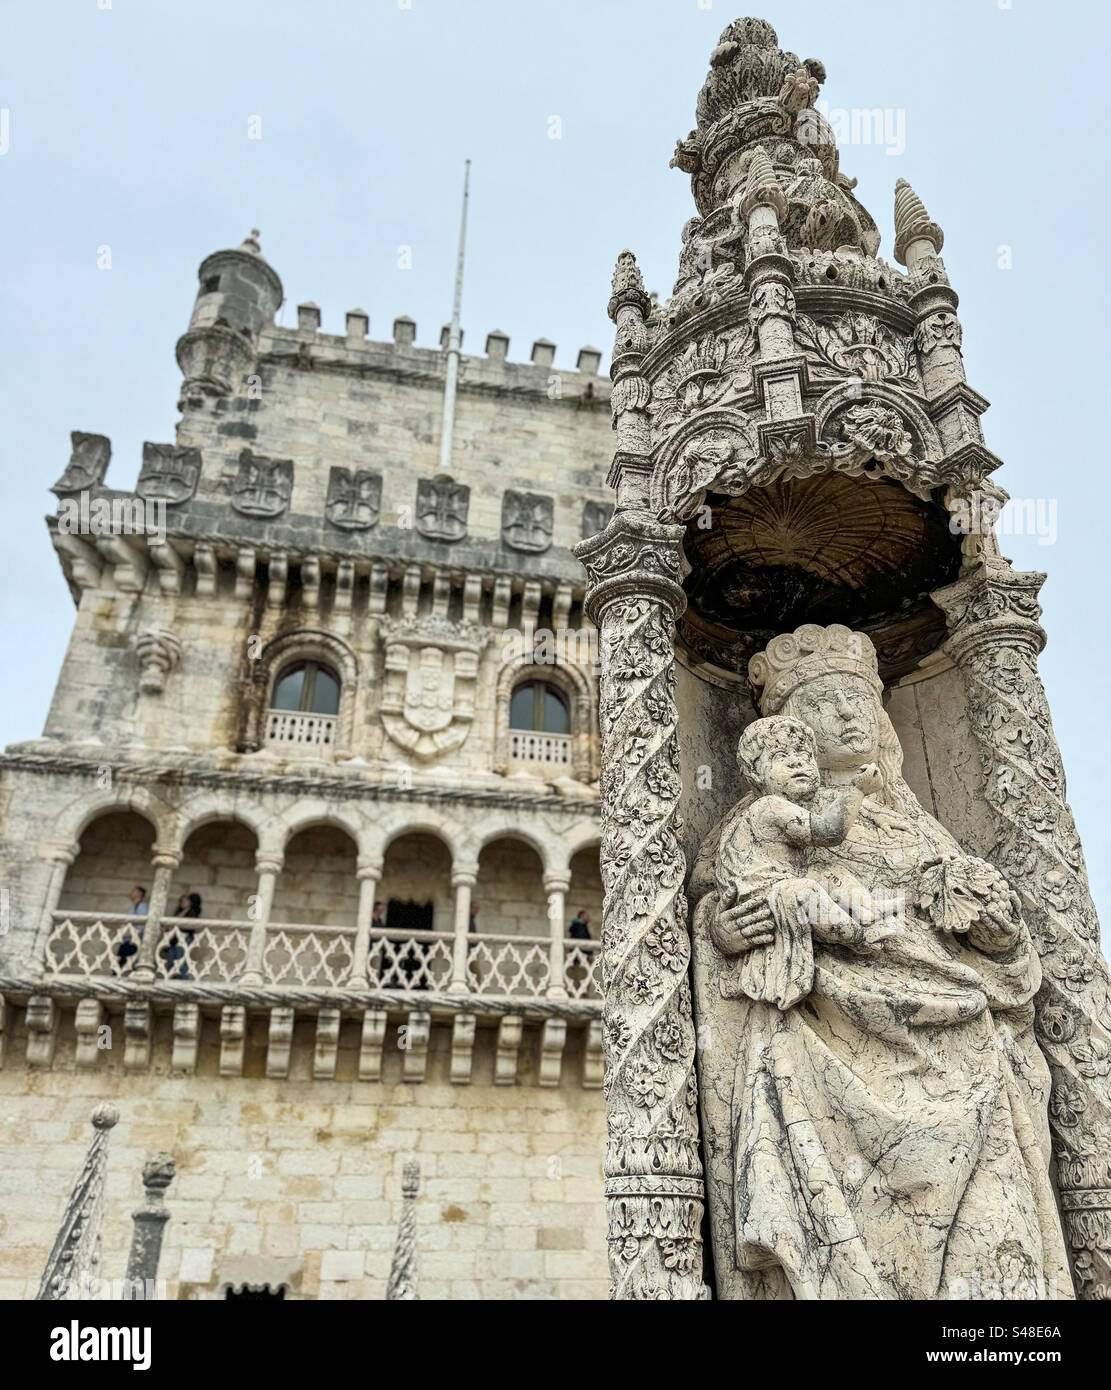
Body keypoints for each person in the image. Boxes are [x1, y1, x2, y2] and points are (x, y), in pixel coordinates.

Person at [712, 714, 899, 1010]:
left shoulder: (879, 812)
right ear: (756, 774)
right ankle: (861, 939)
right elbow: (830, 830)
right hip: (772, 904)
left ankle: (873, 915)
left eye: (803, 754)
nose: (797, 762)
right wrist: (859, 790)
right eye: (781, 756)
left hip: (797, 893)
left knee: (827, 875)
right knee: (806, 893)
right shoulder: (768, 808)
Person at [163, 892, 201, 979]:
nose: (183, 902)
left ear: (191, 902)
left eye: (186, 900)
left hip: (184, 939)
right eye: (182, 900)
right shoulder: (180, 911)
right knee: (171, 963)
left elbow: (186, 926)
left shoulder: (192, 913)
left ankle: (181, 981)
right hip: (174, 940)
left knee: (181, 963)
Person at [116, 885, 149, 969]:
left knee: (124, 965)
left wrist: (135, 936)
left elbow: (142, 924)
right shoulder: (135, 906)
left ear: (139, 894)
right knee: (121, 965)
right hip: (128, 940)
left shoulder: (142, 906)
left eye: (133, 891)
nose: (131, 893)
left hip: (133, 941)